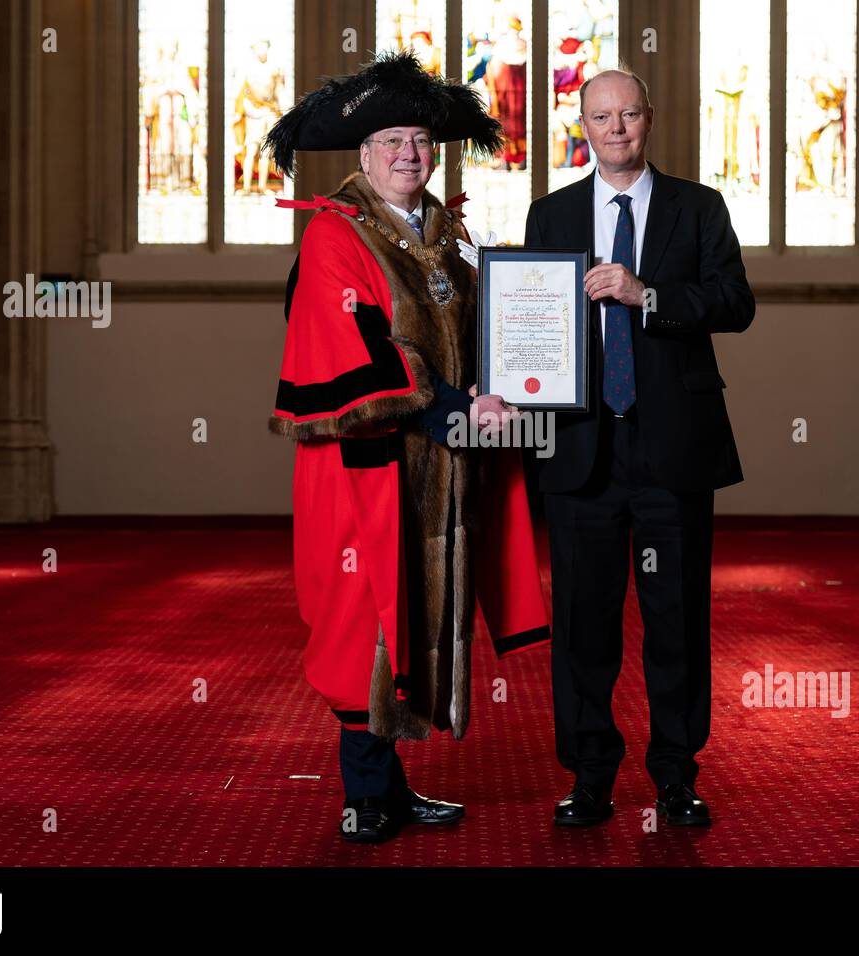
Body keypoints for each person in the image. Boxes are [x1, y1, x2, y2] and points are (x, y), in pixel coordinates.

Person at [263, 51, 550, 844]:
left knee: (421, 621)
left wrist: (516, 377)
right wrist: (462, 406)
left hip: (442, 466)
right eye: (390, 140)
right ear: (362, 154)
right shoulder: (335, 235)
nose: (408, 155)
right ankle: (363, 795)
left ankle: (391, 785)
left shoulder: (443, 231)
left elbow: (481, 327)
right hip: (370, 468)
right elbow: (360, 354)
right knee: (367, 624)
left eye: (420, 141)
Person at [523, 69, 756, 827]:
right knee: (584, 625)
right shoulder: (550, 215)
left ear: (648, 120)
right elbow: (531, 324)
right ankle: (590, 775)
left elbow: (735, 304)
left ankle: (676, 775)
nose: (615, 129)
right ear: (581, 126)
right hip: (581, 448)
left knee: (676, 617)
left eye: (628, 115)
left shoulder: (699, 207)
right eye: (600, 117)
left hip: (672, 448)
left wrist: (645, 293)